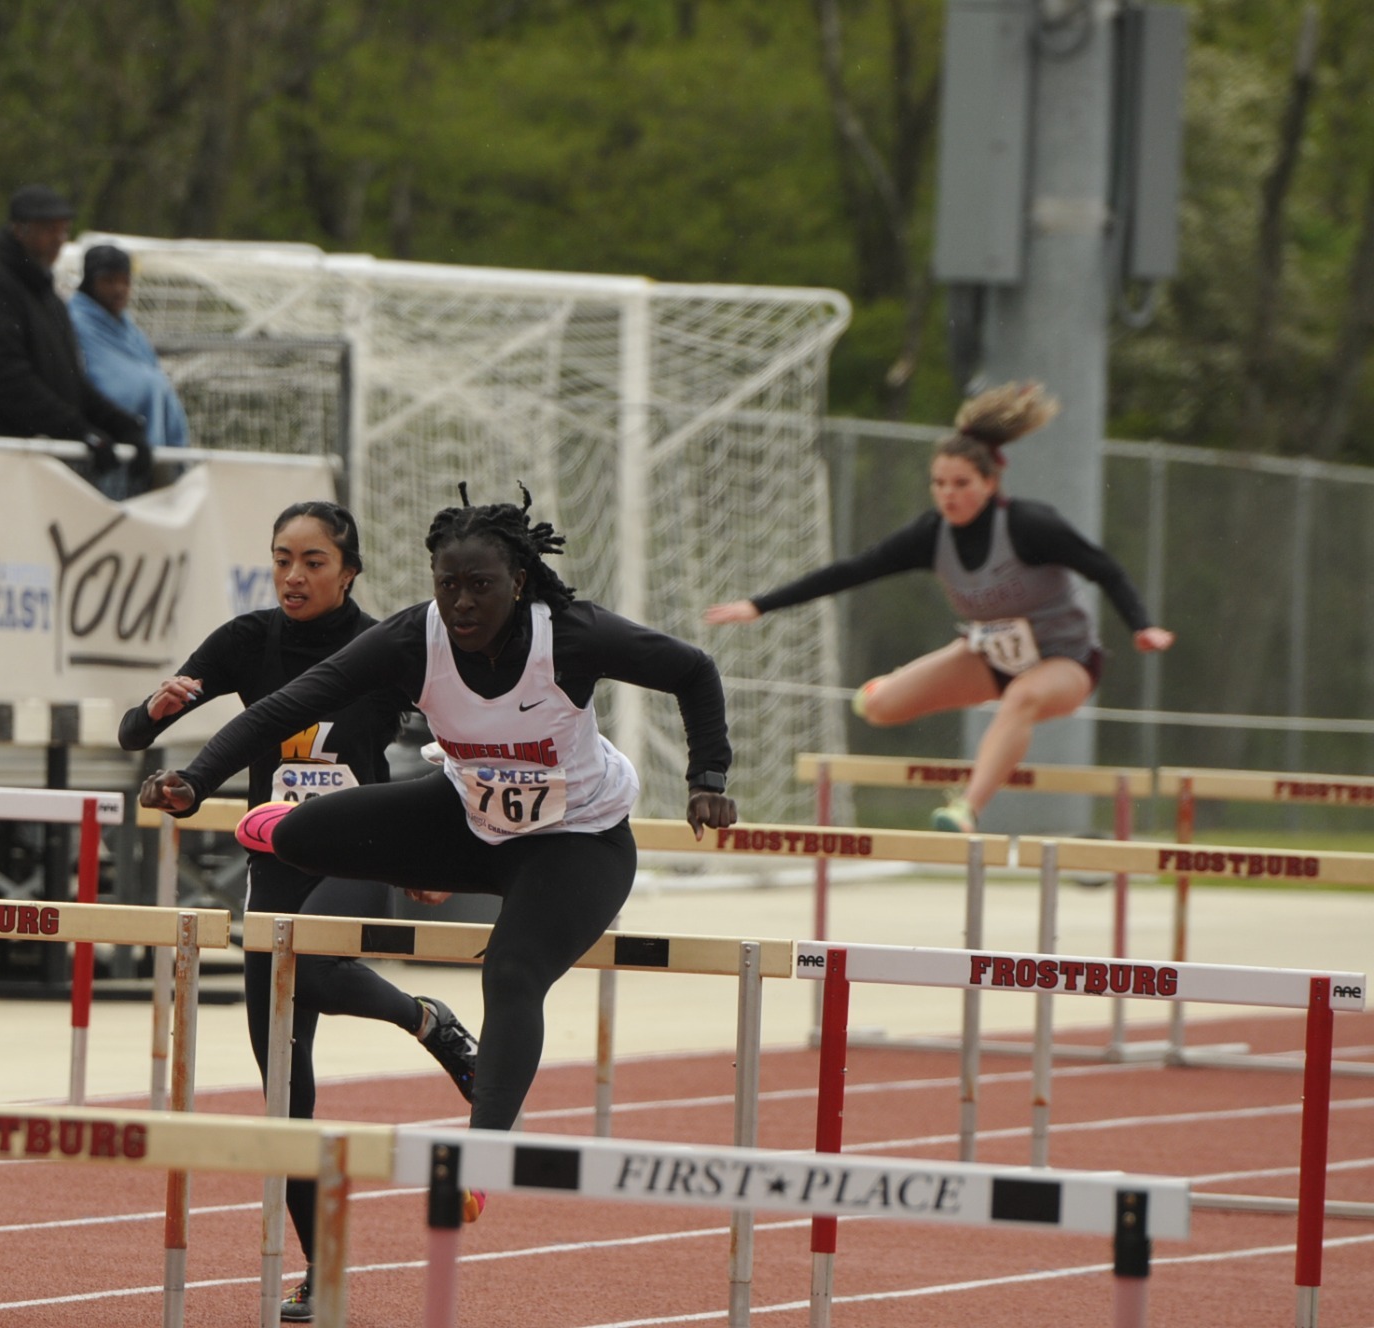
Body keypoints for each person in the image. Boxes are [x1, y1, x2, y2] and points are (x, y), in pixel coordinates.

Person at [138, 484, 737, 1285]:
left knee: (512, 970)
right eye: (447, 584)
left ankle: (482, 1155)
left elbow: (693, 671)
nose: (461, 603)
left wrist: (707, 775)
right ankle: (283, 830)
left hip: (573, 842)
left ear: (517, 581)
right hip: (465, 824)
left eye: (480, 585)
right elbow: (290, 702)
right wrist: (200, 778)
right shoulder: (412, 638)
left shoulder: (573, 635)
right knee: (310, 827)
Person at [118, 499, 477, 1322]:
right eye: (283, 558)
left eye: (313, 562)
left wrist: (439, 846)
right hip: (274, 856)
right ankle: (322, 1270)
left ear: (349, 571)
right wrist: (162, 714)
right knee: (284, 1088)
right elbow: (136, 734)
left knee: (310, 961)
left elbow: (461, 739)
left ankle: (427, 1021)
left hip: (362, 849)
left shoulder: (392, 645)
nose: (293, 576)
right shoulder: (250, 640)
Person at [703, 381, 1176, 832]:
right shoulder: (933, 536)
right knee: (882, 708)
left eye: (962, 483)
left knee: (1022, 698)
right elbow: (853, 570)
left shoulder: (1030, 526)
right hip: (990, 655)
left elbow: (1104, 568)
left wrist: (1142, 625)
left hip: (1066, 662)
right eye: (939, 483)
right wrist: (759, 605)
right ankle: (885, 688)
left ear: (990, 483)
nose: (949, 494)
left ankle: (966, 809)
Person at [0, 184, 152, 491]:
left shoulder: (48, 297)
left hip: (38, 471)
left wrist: (121, 426)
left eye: (63, 231)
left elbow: (70, 383)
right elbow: (6, 380)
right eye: (48, 230)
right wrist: (77, 430)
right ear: (19, 230)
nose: (58, 240)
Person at [68, 243, 189, 499]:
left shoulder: (130, 330)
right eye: (109, 281)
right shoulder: (74, 321)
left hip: (142, 450)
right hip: (100, 451)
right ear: (90, 281)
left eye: (125, 281)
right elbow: (94, 383)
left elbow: (151, 377)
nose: (119, 289)